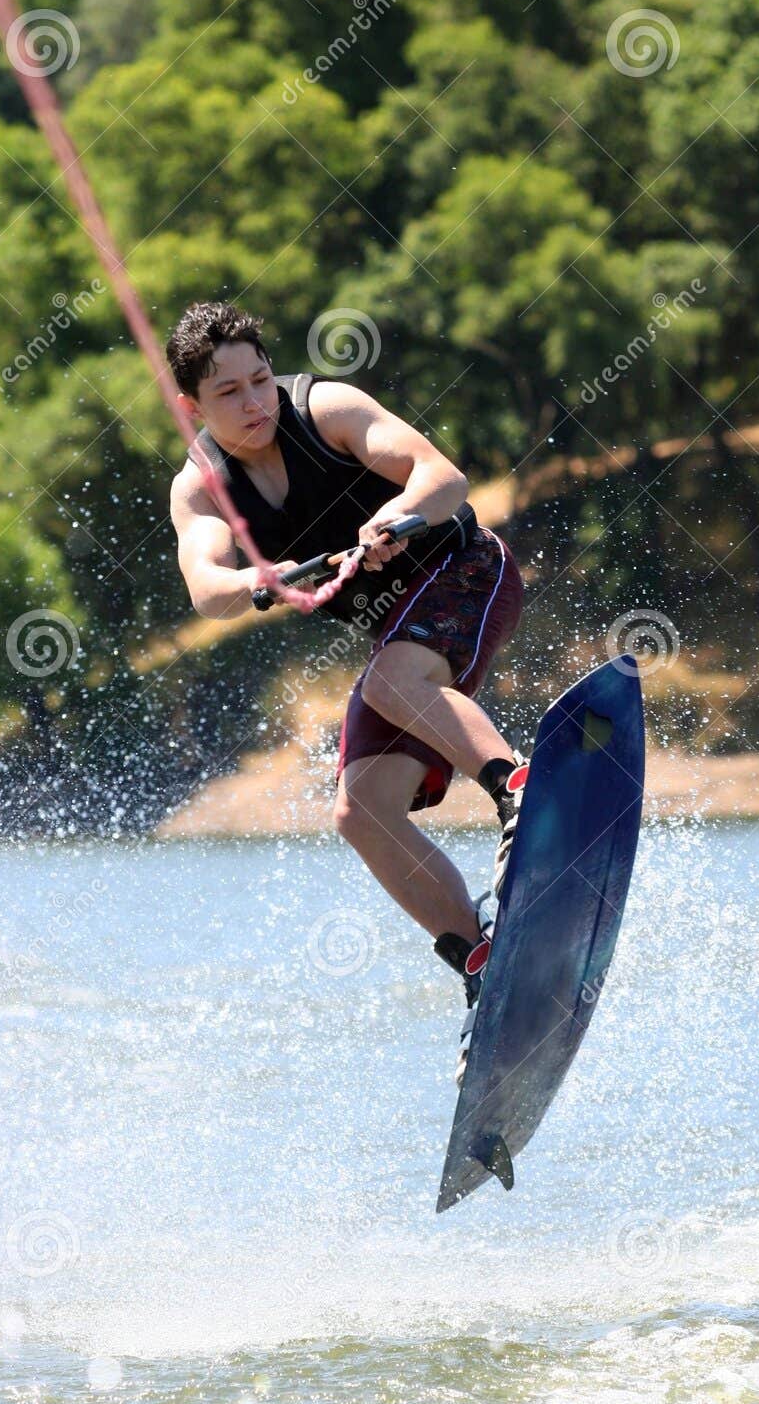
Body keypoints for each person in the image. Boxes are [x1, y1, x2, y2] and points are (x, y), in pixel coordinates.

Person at [167, 301, 528, 1083]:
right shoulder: (200, 489)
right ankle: (484, 962)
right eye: (228, 392)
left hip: (465, 569)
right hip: (396, 631)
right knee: (359, 810)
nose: (255, 402)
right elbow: (206, 586)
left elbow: (442, 476)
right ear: (192, 407)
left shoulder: (325, 409)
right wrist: (259, 580)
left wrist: (396, 518)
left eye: (260, 379)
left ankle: (519, 791)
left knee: (396, 679)